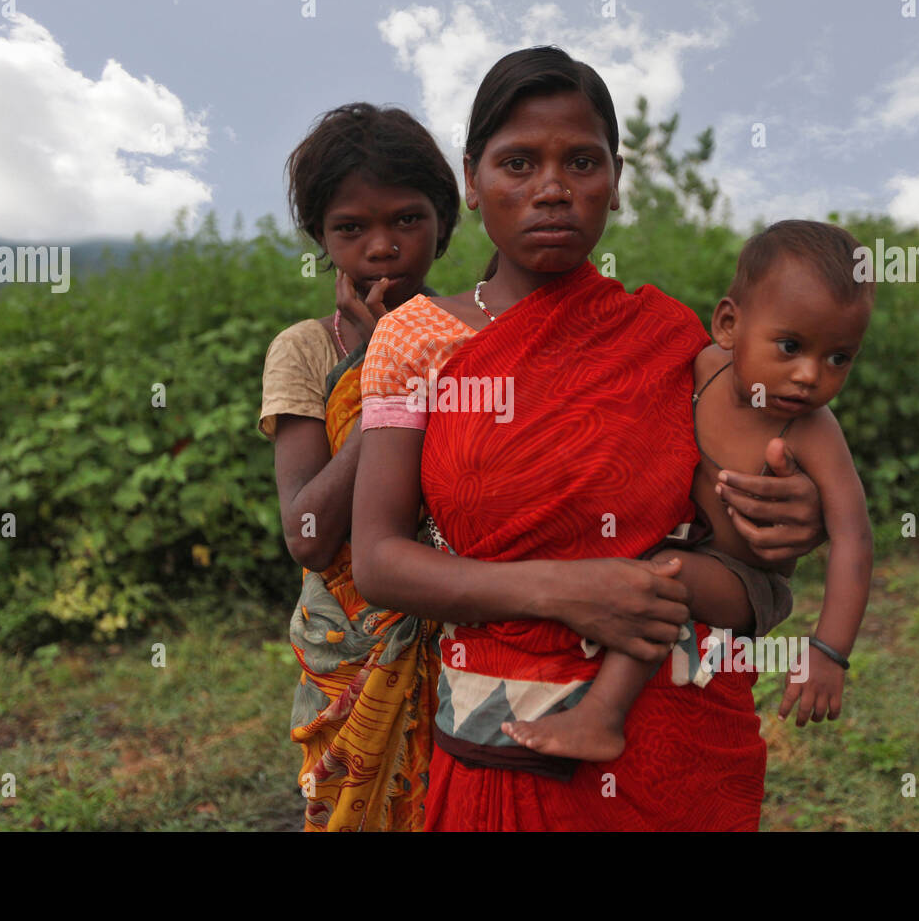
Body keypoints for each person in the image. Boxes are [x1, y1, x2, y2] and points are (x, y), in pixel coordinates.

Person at [351, 46, 828, 830]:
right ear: (472, 181)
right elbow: (379, 560)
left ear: (615, 178)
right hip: (504, 738)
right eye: (517, 163)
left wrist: (789, 520)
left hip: (674, 739)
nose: (551, 190)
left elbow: (738, 539)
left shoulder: (671, 339)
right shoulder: (415, 341)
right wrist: (561, 590)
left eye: (581, 162)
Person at [501, 219, 876, 762]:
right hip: (675, 533)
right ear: (728, 324)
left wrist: (828, 652)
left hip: (744, 580)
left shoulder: (813, 430)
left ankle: (600, 717)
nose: (810, 375)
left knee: (661, 578)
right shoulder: (698, 368)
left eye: (839, 357)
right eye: (790, 346)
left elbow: (854, 539)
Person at [257, 102, 459, 830]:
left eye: (406, 220)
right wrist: (386, 373)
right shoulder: (307, 351)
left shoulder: (479, 338)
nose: (382, 247)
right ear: (321, 239)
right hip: (352, 650)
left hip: (466, 633)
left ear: (444, 219)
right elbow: (309, 534)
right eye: (351, 228)